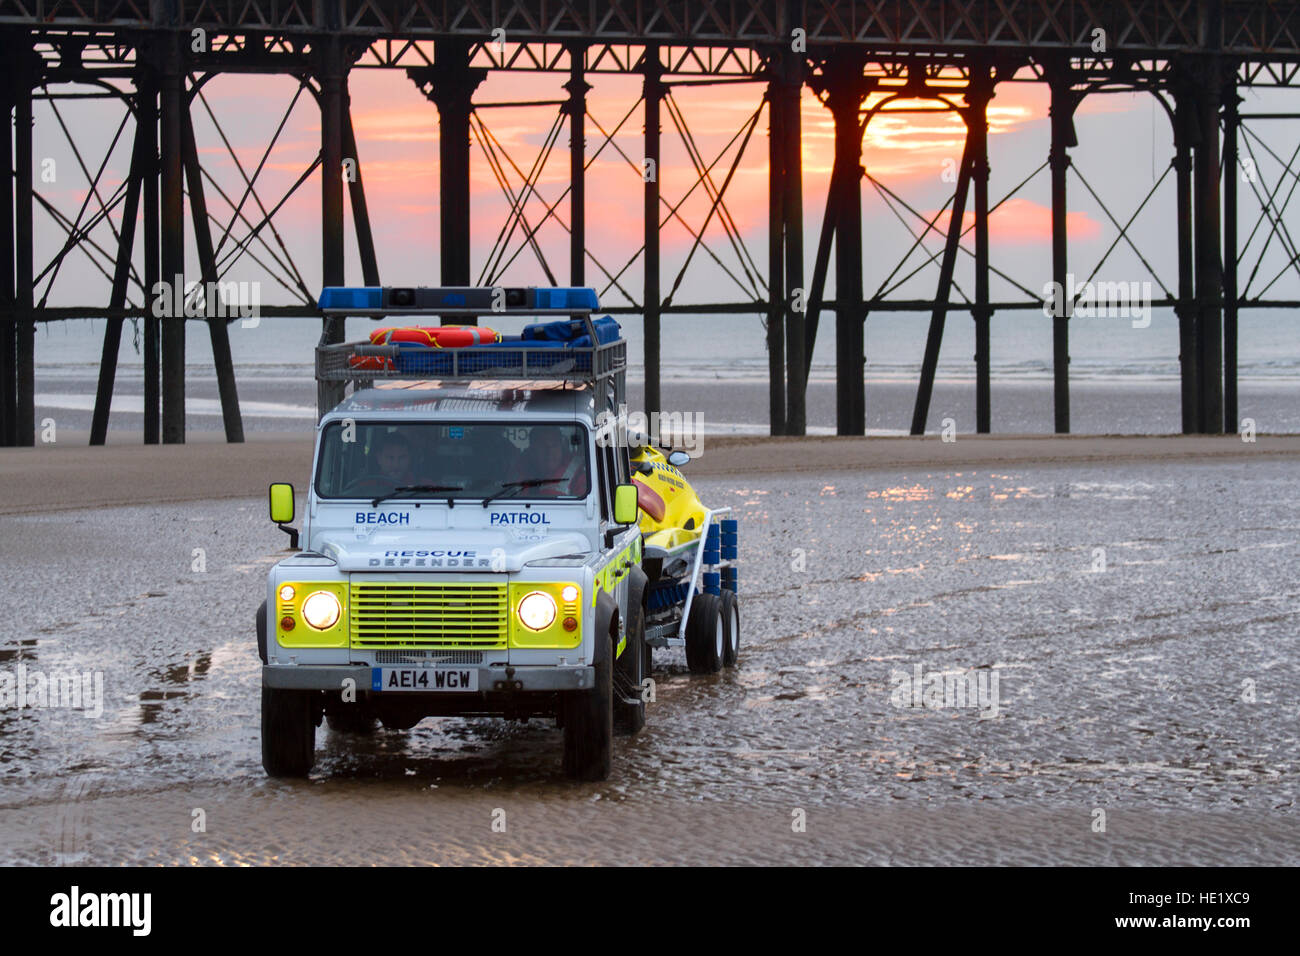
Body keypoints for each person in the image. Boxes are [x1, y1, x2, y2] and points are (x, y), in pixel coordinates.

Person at [517, 428, 589, 497]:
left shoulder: (579, 476)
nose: (549, 452)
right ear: (532, 450)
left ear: (561, 448)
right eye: (542, 446)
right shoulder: (517, 471)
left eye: (554, 446)